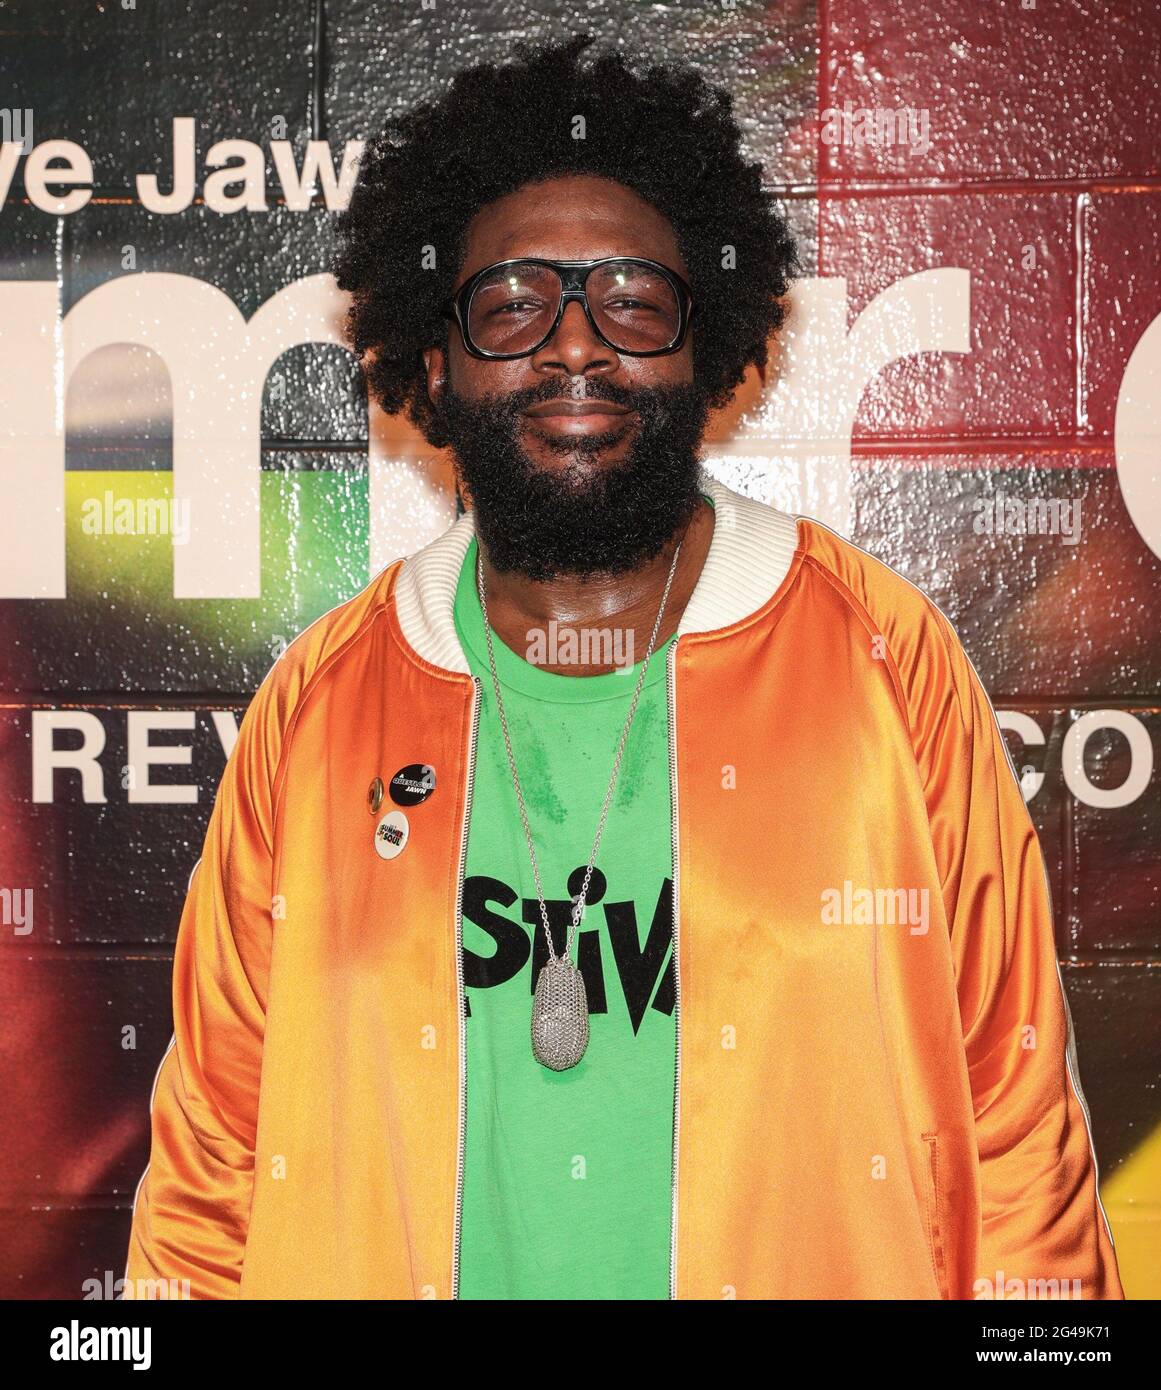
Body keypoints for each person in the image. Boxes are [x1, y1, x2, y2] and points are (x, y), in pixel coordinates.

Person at [124, 34, 1123, 1300]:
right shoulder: (322, 701)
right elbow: (214, 1154)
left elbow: (1016, 1127)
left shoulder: (883, 658)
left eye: (634, 301)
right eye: (513, 304)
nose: (577, 346)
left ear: (706, 348)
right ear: (433, 358)